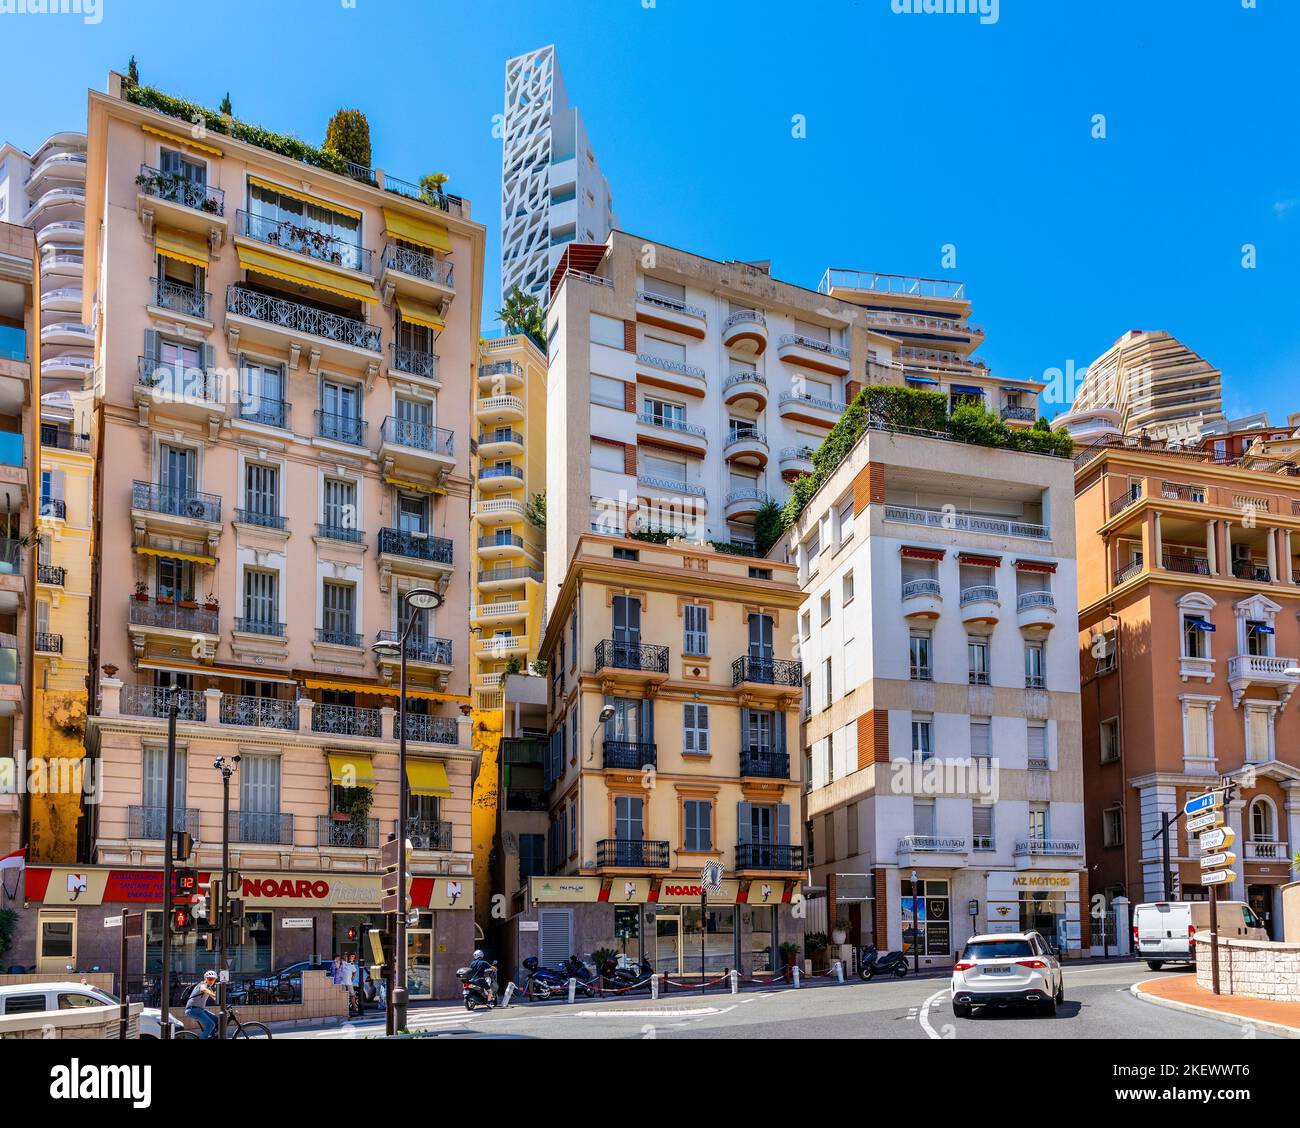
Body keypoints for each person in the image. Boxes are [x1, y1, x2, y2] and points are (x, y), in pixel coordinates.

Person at [184, 971, 219, 1040]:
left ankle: (209, 1036)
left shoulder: (209, 988)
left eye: (213, 979)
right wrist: (214, 994)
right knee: (210, 1025)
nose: (212, 981)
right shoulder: (202, 985)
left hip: (200, 1010)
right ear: (205, 979)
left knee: (216, 1020)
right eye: (210, 979)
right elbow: (203, 989)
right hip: (193, 1010)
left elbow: (215, 998)